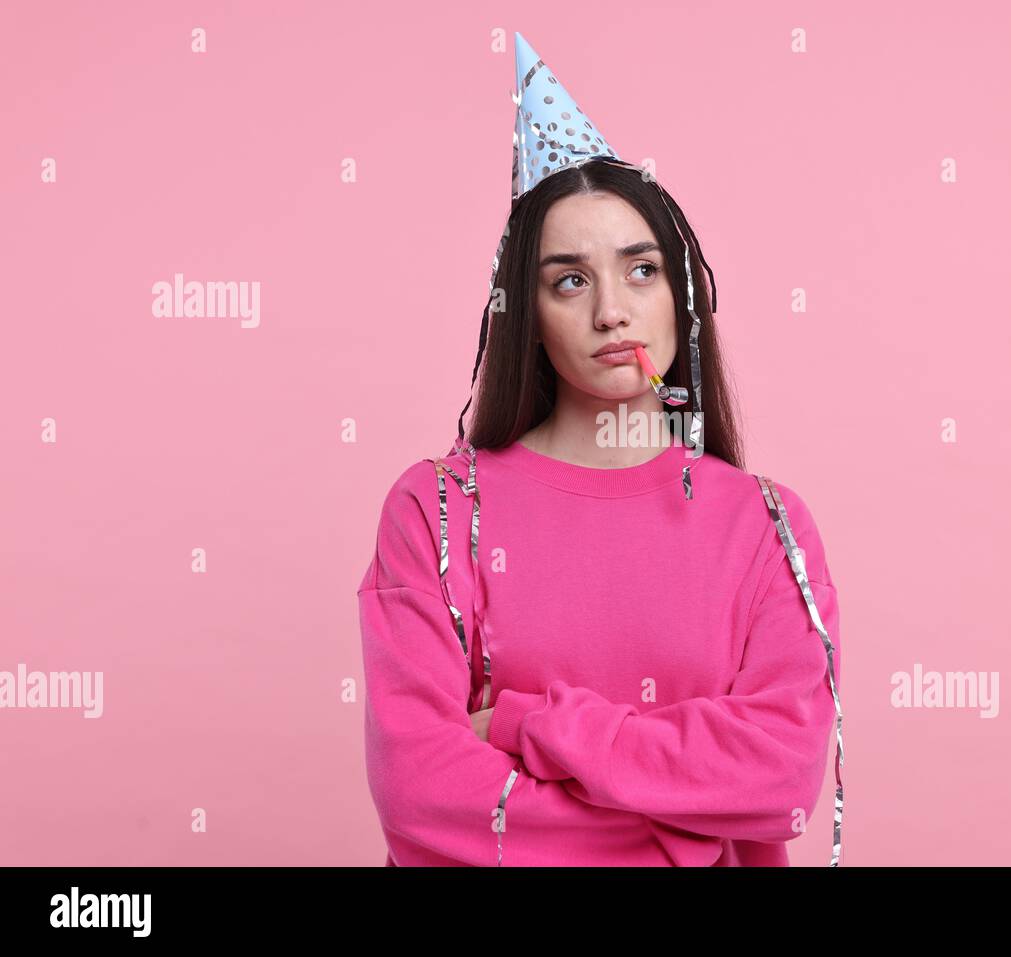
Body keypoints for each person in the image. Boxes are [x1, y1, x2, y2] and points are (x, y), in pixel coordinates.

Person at [355, 33, 843, 867]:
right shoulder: (436, 510)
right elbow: (419, 793)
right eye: (570, 280)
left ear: (680, 294)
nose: (612, 311)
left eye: (641, 270)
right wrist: (687, 830)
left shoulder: (768, 525)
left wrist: (524, 723)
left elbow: (785, 778)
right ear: (528, 313)